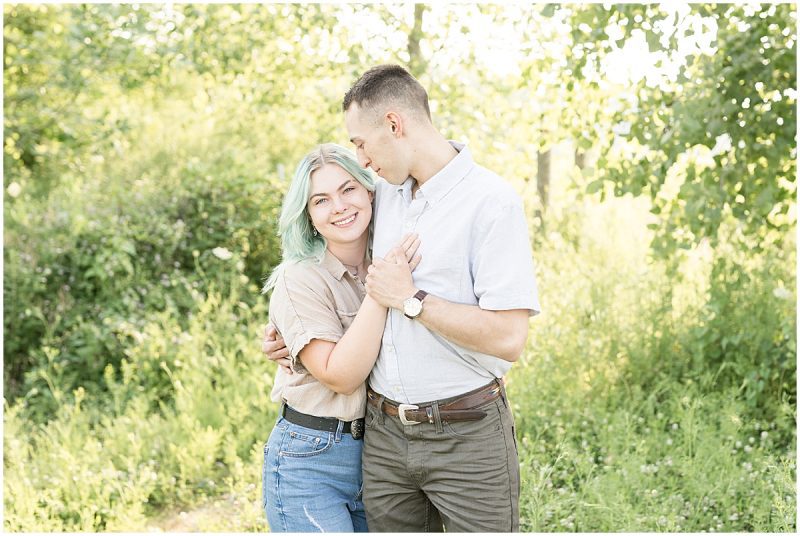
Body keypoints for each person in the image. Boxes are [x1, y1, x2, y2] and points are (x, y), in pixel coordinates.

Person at [264, 64, 540, 532]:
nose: (361, 158)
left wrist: (411, 299)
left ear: (393, 124)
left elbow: (510, 337)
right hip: (384, 438)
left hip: (466, 432)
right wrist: (288, 338)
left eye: (360, 142)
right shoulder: (384, 196)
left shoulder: (490, 203)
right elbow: (327, 267)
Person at [260, 142, 421, 532]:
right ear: (309, 215)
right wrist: (385, 291)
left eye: (348, 189)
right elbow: (340, 376)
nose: (339, 207)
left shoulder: (393, 257)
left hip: (381, 455)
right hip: (311, 457)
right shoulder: (299, 278)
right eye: (321, 200)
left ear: (370, 191)